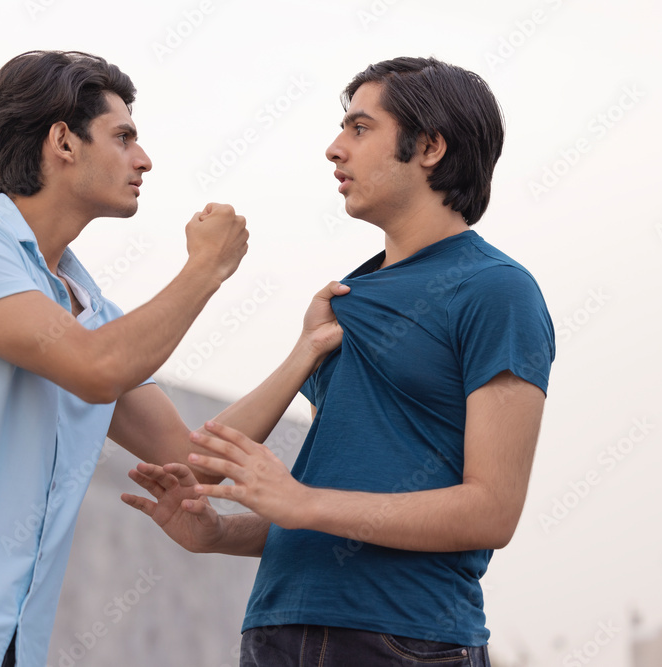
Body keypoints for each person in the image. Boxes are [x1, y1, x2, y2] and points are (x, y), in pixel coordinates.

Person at [0, 50, 345, 667]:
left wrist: (305, 352)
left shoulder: (90, 306)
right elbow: (93, 369)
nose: (143, 159)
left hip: (7, 647)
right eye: (123, 137)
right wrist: (206, 267)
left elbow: (191, 461)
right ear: (63, 141)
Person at [123, 56, 556, 666]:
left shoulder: (496, 290)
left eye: (359, 128)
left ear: (429, 146)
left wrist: (301, 500)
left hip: (406, 640)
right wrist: (222, 533)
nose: (334, 149)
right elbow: (342, 502)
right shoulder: (346, 300)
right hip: (276, 630)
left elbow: (491, 510)